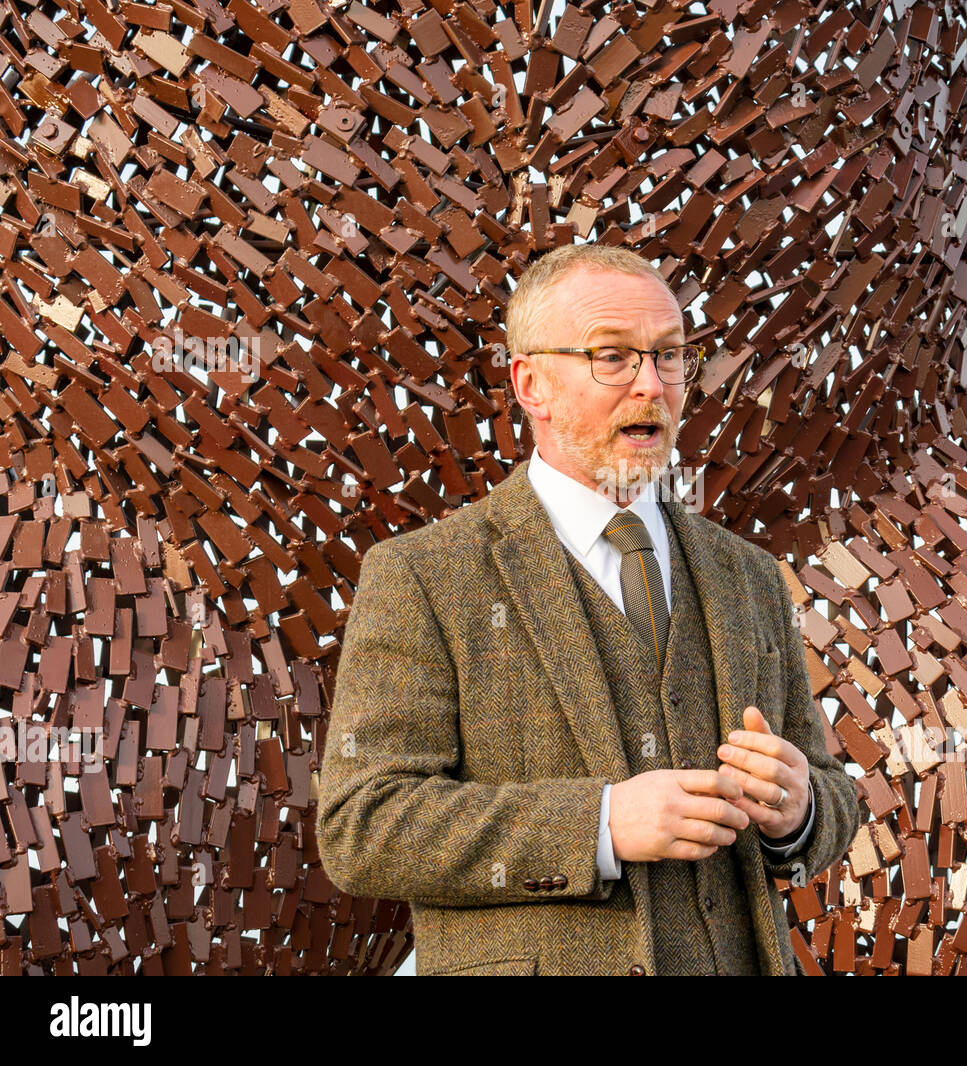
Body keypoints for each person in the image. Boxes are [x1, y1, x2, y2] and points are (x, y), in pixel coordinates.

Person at [318, 244, 860, 975]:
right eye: (614, 357)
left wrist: (800, 815)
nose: (651, 384)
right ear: (531, 383)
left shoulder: (751, 577)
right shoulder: (424, 577)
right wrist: (599, 824)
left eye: (670, 356)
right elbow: (364, 826)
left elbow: (830, 791)